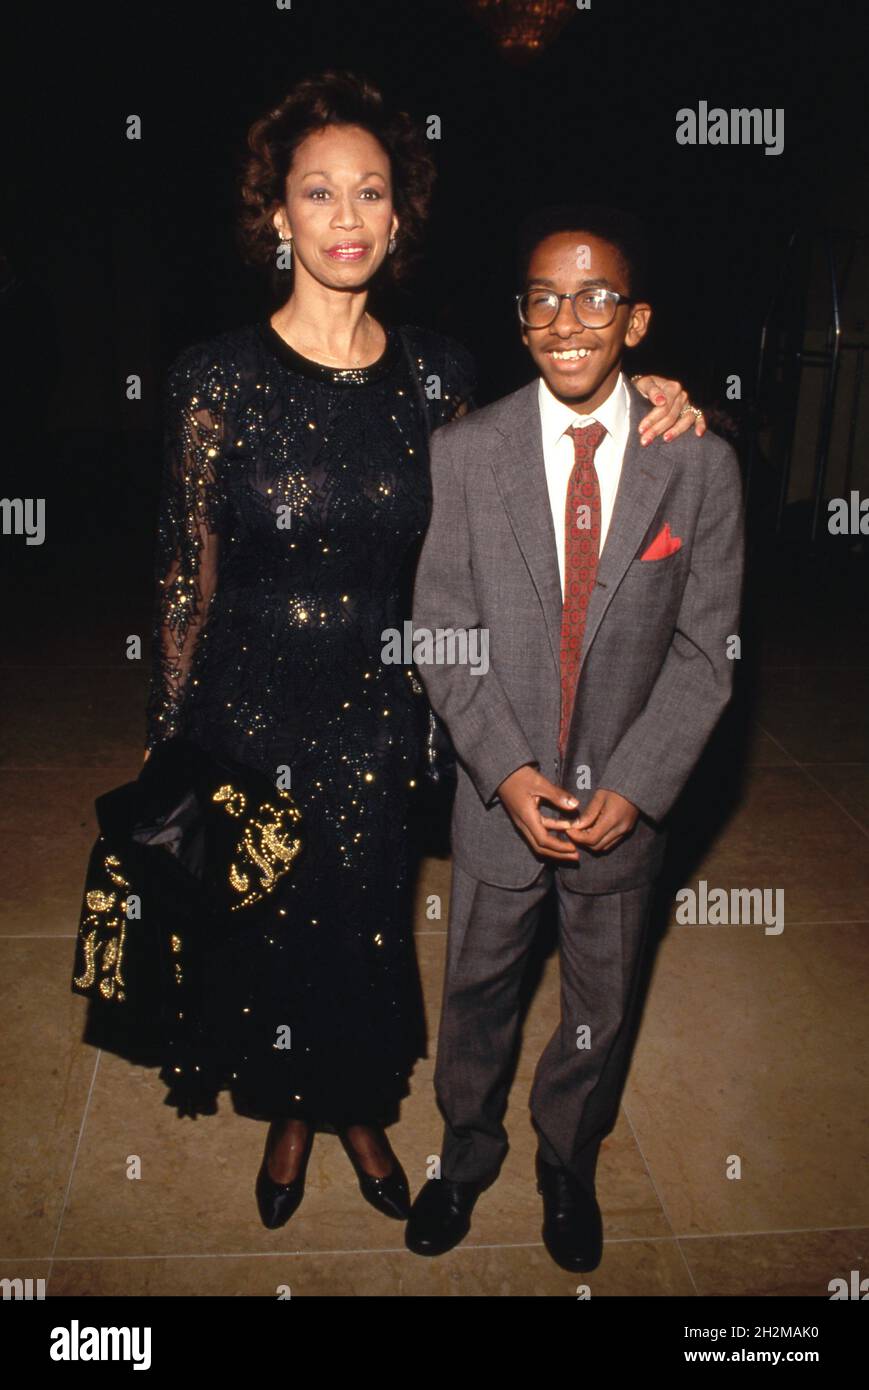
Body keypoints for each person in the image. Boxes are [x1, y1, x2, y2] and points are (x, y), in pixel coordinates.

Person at [74, 71, 704, 1232]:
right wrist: (173, 748)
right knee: (266, 932)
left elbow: (553, 418)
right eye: (319, 192)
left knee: (363, 933)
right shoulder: (210, 379)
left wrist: (654, 391)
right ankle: (289, 1111)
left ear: (399, 216)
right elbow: (180, 578)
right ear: (279, 214)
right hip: (247, 707)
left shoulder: (438, 375)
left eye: (371, 191)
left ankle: (359, 1104)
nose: (347, 215)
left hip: (382, 710)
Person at [407, 203, 745, 1270]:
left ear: (634, 321)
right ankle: (463, 1155)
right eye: (543, 297)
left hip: (618, 807)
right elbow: (440, 632)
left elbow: (704, 652)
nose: (567, 318)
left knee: (600, 998)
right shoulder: (465, 453)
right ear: (520, 318)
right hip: (496, 793)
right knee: (474, 992)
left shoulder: (693, 464)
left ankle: (567, 1154)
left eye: (594, 296)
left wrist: (637, 786)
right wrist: (503, 772)